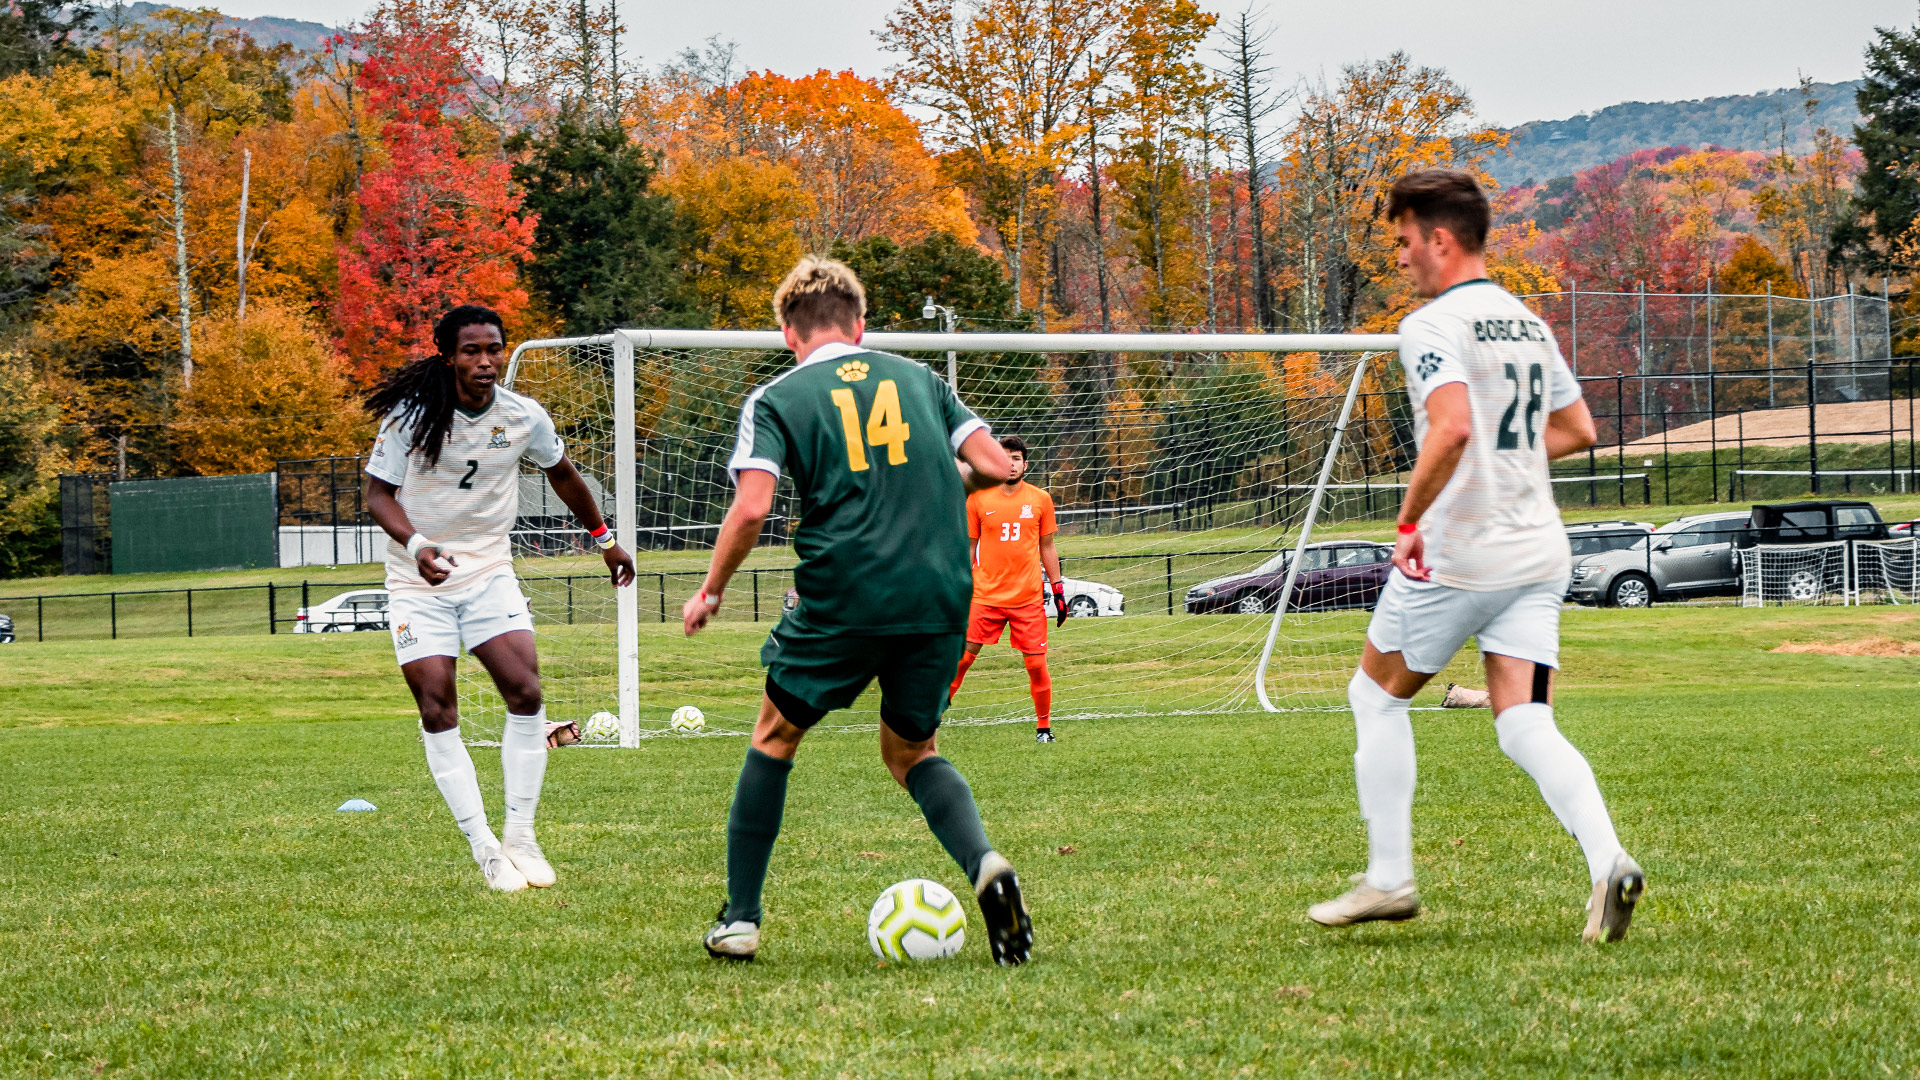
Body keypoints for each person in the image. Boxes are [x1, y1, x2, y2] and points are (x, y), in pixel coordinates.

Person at [1307, 170, 1645, 943]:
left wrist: (1408, 520)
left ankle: (1389, 878)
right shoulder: (1528, 322)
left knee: (1375, 698)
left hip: (1461, 553)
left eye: (1403, 241)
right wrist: (1510, 466)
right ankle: (1609, 861)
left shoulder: (1433, 324)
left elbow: (1452, 427)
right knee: (1523, 720)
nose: (1400, 259)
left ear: (1440, 239)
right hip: (1537, 551)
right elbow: (1578, 430)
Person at [684, 256, 1034, 965]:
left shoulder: (778, 399)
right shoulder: (922, 380)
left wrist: (713, 587)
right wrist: (935, 471)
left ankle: (742, 919)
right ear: (861, 324)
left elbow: (752, 506)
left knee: (775, 734)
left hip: (844, 592)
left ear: (789, 332)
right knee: (912, 751)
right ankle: (986, 865)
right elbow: (997, 465)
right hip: (940, 591)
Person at [363, 305, 635, 893]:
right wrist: (416, 546)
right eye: (471, 351)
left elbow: (562, 474)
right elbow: (377, 495)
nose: (485, 362)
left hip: (488, 572)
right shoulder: (411, 418)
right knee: (438, 707)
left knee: (526, 691)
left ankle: (522, 836)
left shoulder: (522, 415)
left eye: (493, 349)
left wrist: (605, 541)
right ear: (449, 356)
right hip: (418, 580)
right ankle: (484, 847)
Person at [946, 435, 1067, 742]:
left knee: (1037, 664)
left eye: (1016, 459)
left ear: (1025, 464)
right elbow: (966, 547)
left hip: (1027, 599)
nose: (1011, 464)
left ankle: (1043, 729)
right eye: (1005, 458)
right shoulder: (977, 499)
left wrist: (1058, 589)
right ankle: (932, 716)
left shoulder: (1041, 499)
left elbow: (1048, 546)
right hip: (985, 596)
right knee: (962, 658)